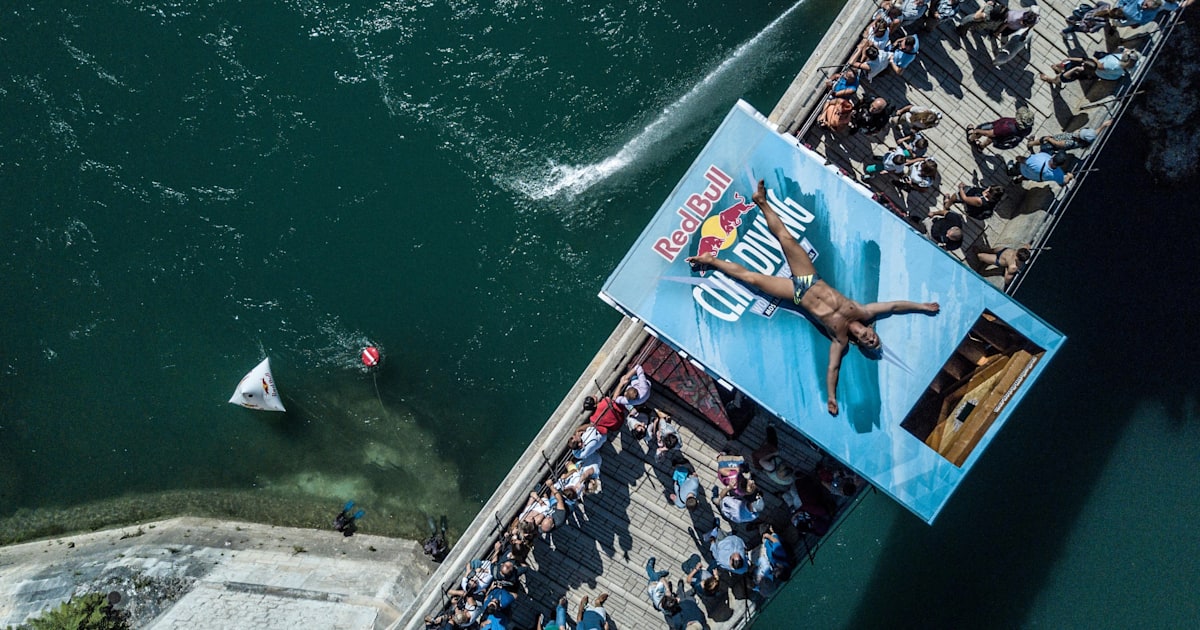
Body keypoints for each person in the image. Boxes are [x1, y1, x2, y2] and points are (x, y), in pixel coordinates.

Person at [687, 180, 940, 415]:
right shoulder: (862, 312)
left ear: (860, 344)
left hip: (797, 294)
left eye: (869, 344)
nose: (871, 340)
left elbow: (833, 369)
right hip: (810, 280)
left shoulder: (839, 339)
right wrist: (923, 306)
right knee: (785, 238)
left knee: (752, 279)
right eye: (875, 339)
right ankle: (761, 201)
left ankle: (711, 260)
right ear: (872, 331)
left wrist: (832, 397)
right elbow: (894, 306)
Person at [967, 107, 1034, 151]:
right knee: (992, 139)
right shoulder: (1028, 129)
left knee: (981, 129)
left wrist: (977, 130)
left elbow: (989, 133)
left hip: (998, 130)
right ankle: (981, 147)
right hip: (1002, 138)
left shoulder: (1006, 127)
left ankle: (970, 138)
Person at [752, 527, 792, 596]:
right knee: (762, 528)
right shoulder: (781, 554)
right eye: (776, 571)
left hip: (766, 549)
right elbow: (775, 541)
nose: (774, 571)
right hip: (769, 540)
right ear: (782, 568)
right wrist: (766, 536)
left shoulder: (777, 565)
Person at [1029, 120, 1112, 153]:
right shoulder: (1087, 140)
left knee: (1044, 140)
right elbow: (1094, 133)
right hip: (1056, 140)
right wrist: (1103, 126)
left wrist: (1049, 139)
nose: (1079, 131)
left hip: (1051, 145)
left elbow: (1058, 144)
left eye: (1080, 133)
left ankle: (1030, 144)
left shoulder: (1071, 142)